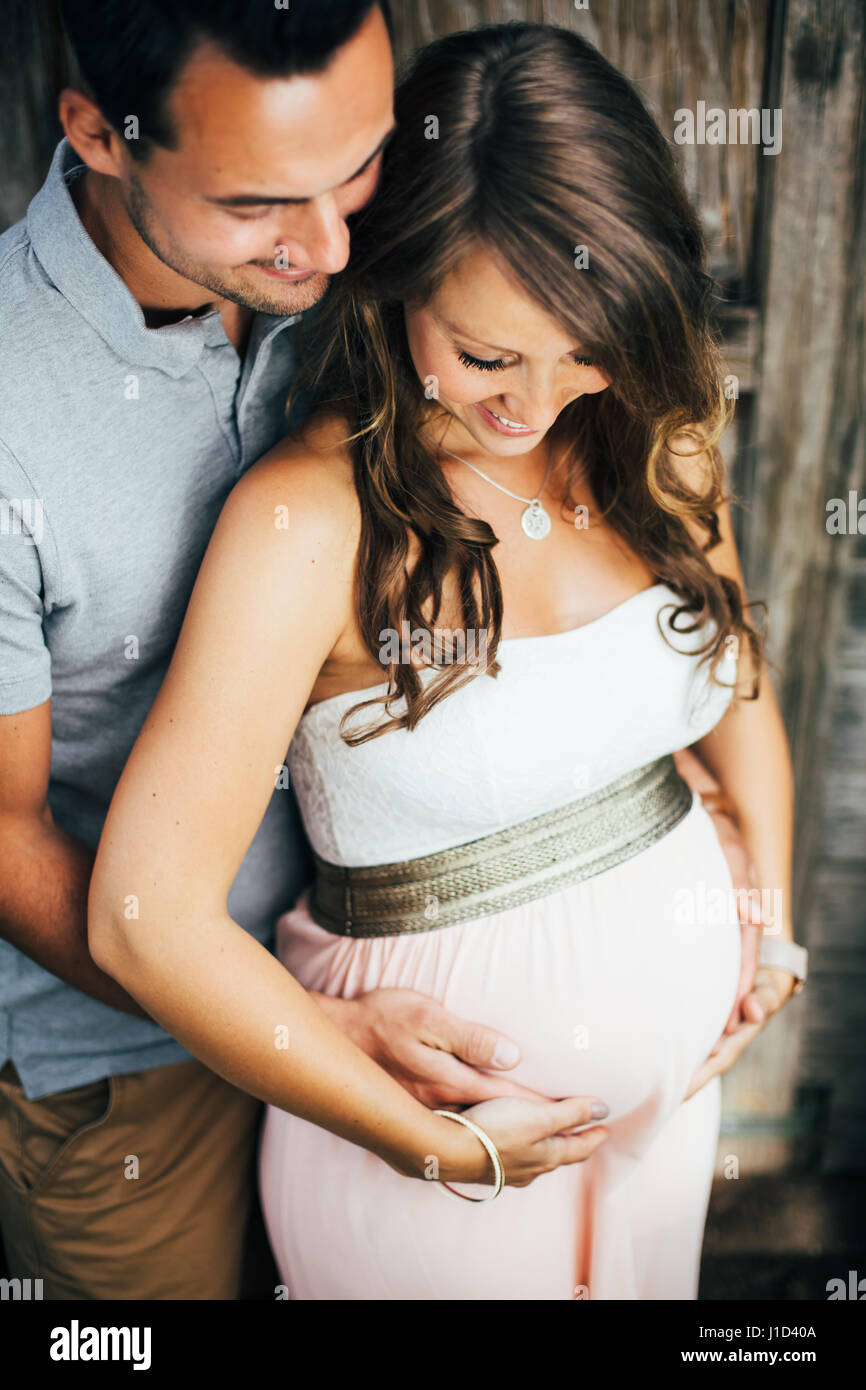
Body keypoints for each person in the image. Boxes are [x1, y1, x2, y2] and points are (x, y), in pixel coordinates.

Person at [88, 23, 803, 1300]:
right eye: (484, 358)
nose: (534, 407)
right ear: (396, 281)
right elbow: (146, 923)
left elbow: (735, 681)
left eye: (580, 351)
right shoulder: (304, 524)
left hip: (668, 1115)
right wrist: (434, 1141)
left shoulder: (651, 436)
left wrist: (770, 923)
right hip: (421, 1155)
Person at [0, 0, 613, 1302]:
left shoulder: (379, 265)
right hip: (128, 1072)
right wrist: (292, 1023)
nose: (334, 243)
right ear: (99, 137)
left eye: (359, 163)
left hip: (373, 968)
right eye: (261, 202)